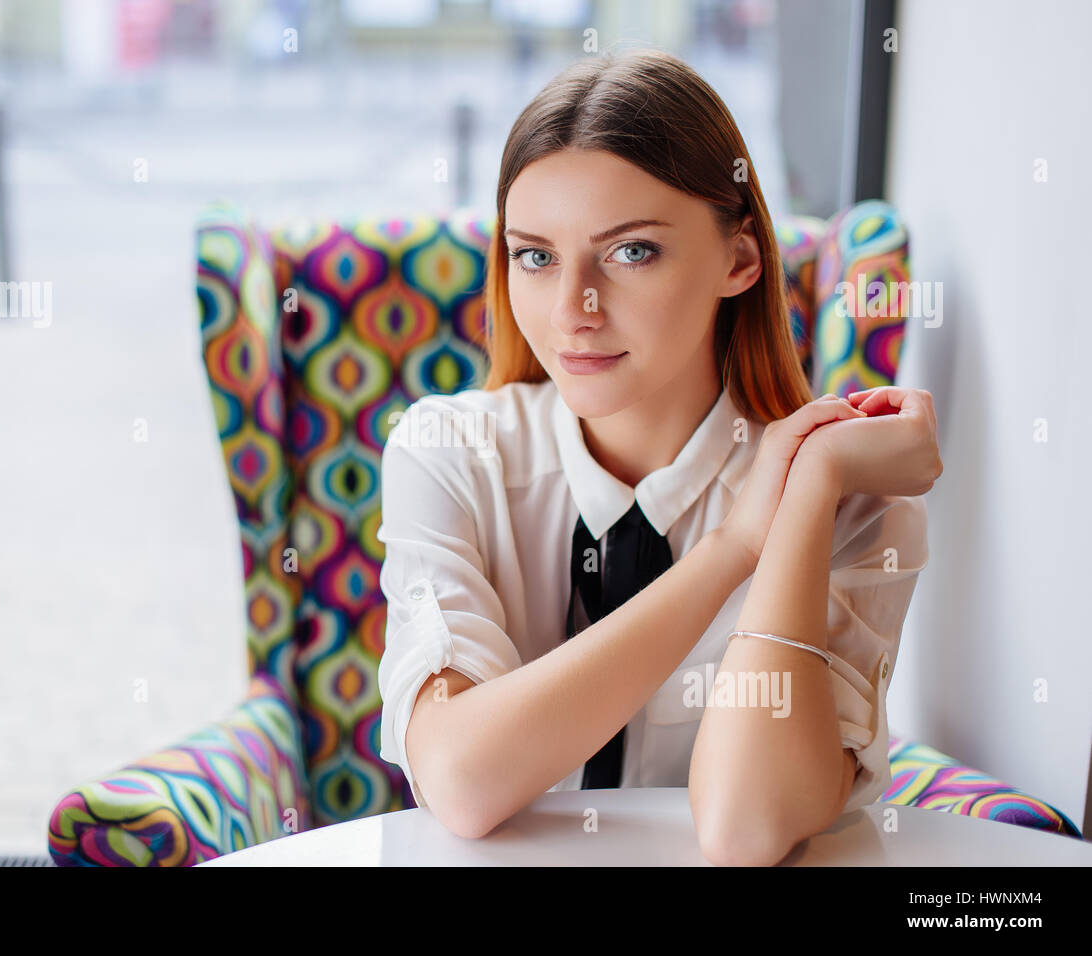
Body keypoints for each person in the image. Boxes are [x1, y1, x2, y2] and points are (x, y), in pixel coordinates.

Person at [375, 48, 942, 866]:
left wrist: (807, 491)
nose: (574, 309)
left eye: (630, 251)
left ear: (740, 259)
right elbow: (462, 781)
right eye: (535, 255)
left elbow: (747, 827)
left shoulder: (852, 499)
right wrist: (730, 552)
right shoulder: (448, 454)